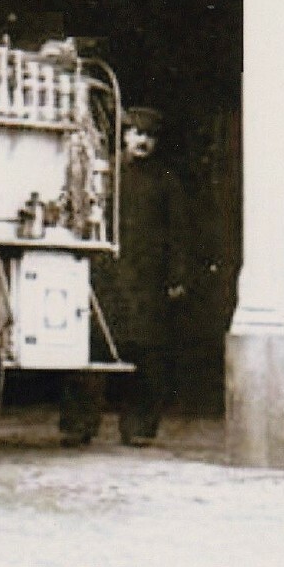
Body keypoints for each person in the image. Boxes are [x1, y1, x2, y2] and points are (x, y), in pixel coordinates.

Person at [60, 107, 189, 448]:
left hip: (148, 278)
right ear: (125, 135)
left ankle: (139, 429)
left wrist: (177, 275)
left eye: (150, 136)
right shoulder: (106, 175)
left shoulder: (166, 182)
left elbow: (178, 232)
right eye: (136, 133)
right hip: (107, 273)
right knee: (92, 348)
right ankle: (78, 425)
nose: (143, 141)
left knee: (146, 354)